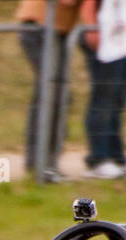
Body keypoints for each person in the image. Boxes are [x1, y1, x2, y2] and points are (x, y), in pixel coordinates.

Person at [77, 0, 126, 178]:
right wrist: (91, 27)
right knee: (104, 99)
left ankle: (117, 158)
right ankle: (98, 159)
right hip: (105, 38)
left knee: (118, 99)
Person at [17, 0, 79, 182]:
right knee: (52, 93)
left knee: (52, 94)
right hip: (41, 28)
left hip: (56, 31)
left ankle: (43, 163)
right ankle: (41, 164)